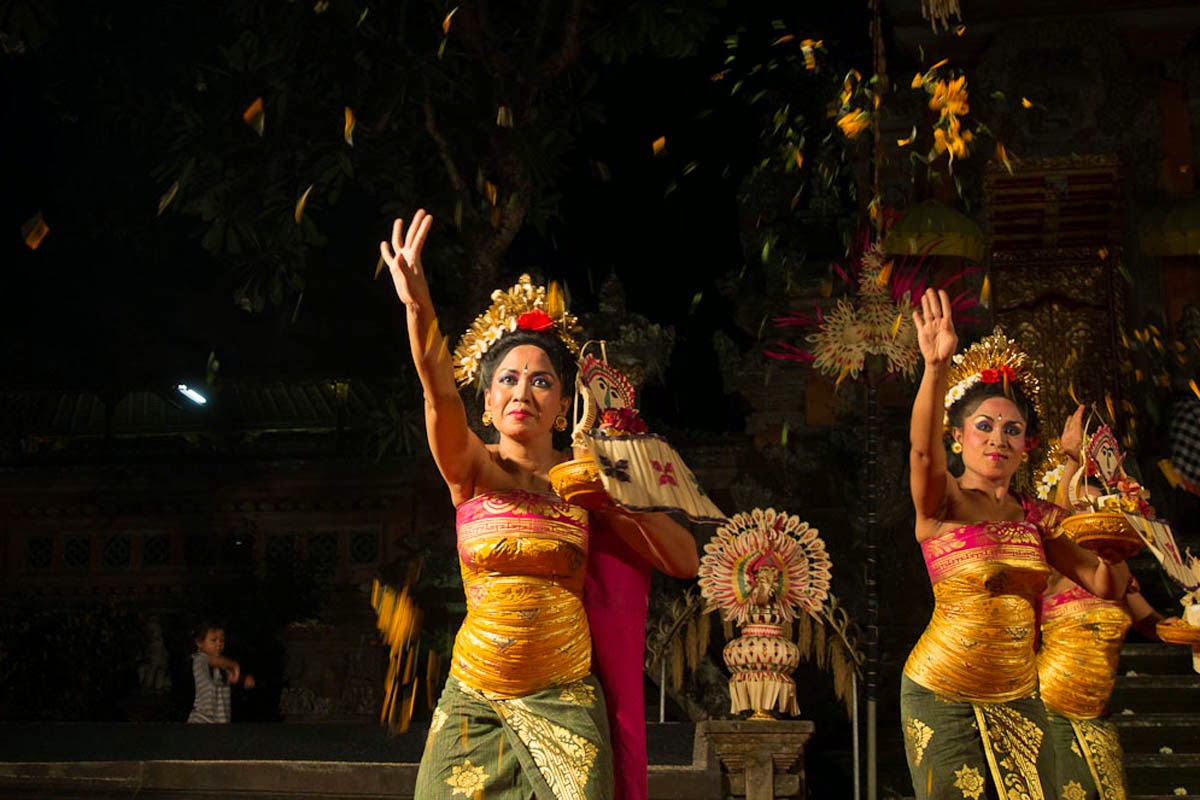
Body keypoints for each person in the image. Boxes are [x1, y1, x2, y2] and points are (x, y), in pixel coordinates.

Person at [379, 209, 698, 800]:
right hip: (473, 702)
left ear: (563, 403)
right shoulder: (471, 470)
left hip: (565, 706)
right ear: (487, 403)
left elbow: (684, 560)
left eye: (543, 380)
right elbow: (437, 388)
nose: (523, 390)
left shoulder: (594, 476)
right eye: (508, 379)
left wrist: (610, 503)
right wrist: (418, 305)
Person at [902, 289, 1131, 799]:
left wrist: (1113, 551)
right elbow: (921, 452)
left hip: (1019, 697)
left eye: (1012, 430)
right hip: (942, 693)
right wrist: (935, 367)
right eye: (983, 427)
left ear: (1027, 445)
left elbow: (1103, 583)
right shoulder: (944, 504)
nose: (997, 439)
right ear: (957, 436)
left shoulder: (1039, 517)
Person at [1035, 408, 1166, 800]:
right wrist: (1072, 458)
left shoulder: (1119, 574)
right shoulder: (1057, 567)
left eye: (1100, 512)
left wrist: (1189, 630)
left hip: (1097, 716)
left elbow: (1150, 623)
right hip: (1051, 708)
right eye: (1084, 512)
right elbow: (1059, 518)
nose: (1093, 520)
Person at [187, 621, 255, 724]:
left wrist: (244, 680)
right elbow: (213, 661)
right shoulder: (199, 659)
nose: (219, 644)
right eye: (213, 640)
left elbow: (232, 677)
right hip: (201, 720)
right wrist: (234, 665)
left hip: (220, 722)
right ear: (199, 643)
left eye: (222, 640)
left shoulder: (222, 668)